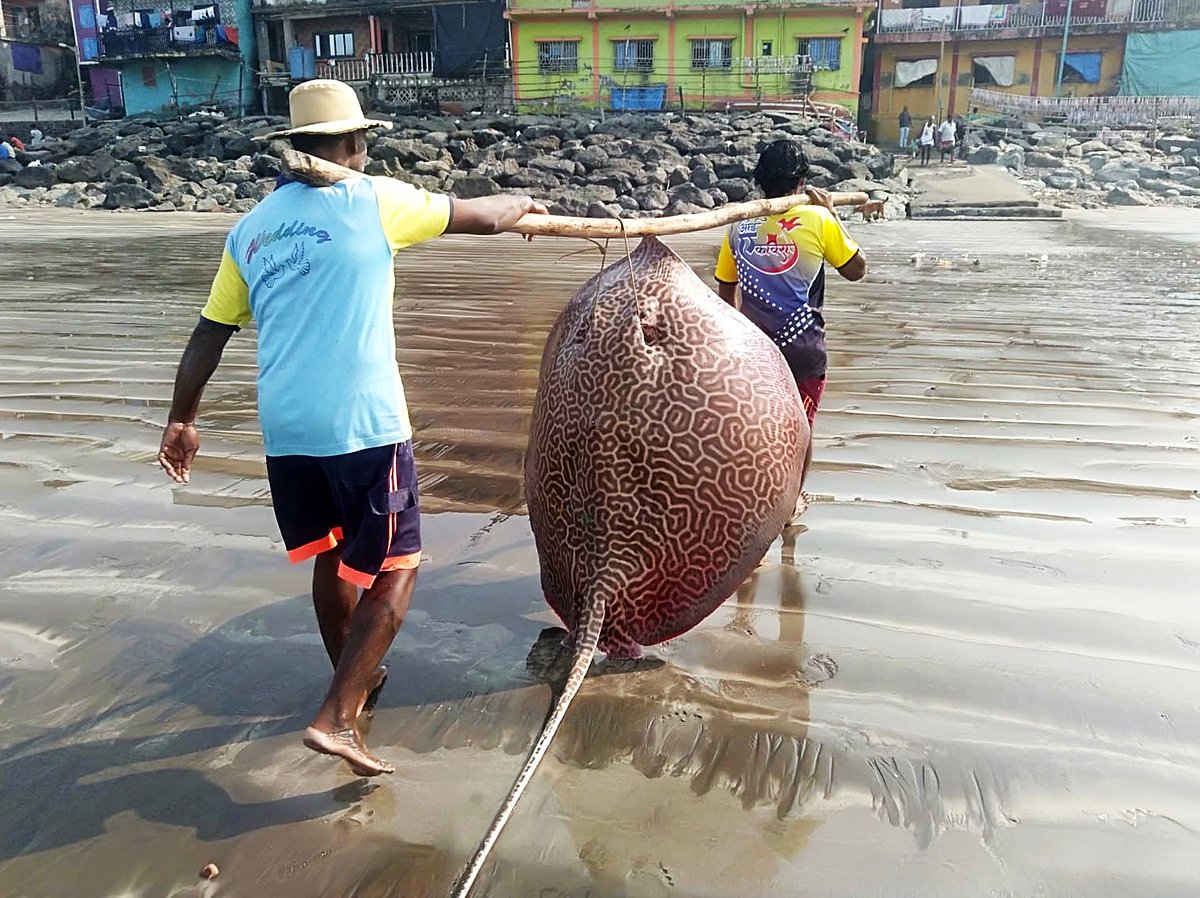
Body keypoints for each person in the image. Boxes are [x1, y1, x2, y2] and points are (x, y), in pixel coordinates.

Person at [157, 80, 548, 777]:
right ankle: (338, 715)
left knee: (332, 556)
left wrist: (182, 420)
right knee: (396, 568)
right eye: (361, 141)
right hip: (363, 424)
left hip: (288, 429)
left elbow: (208, 335)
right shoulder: (374, 202)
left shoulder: (250, 230)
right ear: (348, 144)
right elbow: (480, 217)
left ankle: (354, 680)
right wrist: (523, 205)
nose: (366, 152)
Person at [713, 139, 867, 521]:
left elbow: (725, 288)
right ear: (801, 182)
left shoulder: (739, 226)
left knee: (755, 425)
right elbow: (856, 269)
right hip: (803, 348)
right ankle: (791, 500)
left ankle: (747, 495)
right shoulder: (817, 219)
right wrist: (832, 215)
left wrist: (736, 341)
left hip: (754, 349)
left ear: (761, 181)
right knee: (801, 426)